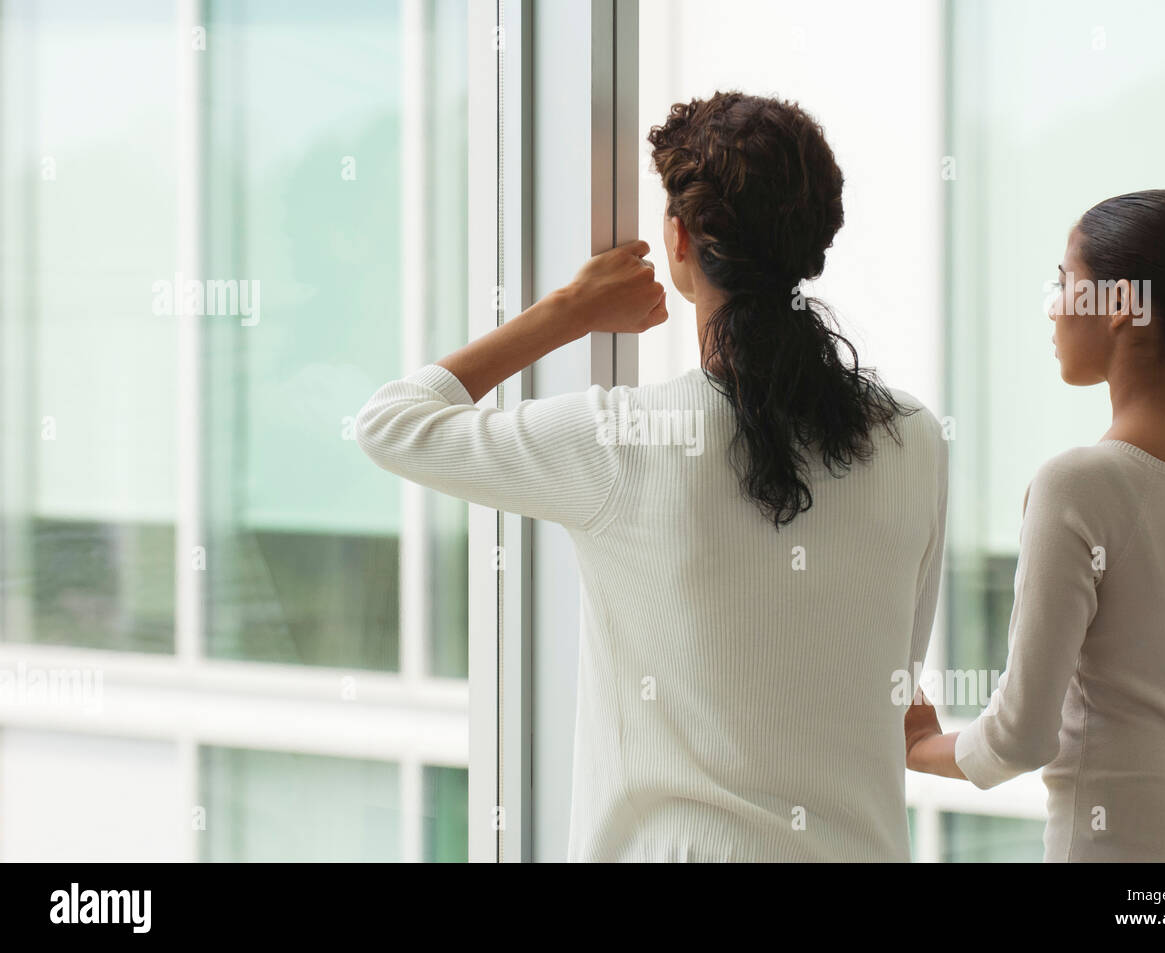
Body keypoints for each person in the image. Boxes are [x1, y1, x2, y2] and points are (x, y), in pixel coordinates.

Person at [357, 91, 947, 861]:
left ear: (679, 238)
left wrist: (570, 309)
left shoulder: (625, 440)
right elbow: (894, 679)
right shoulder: (913, 439)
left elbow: (393, 423)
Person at [906, 189, 1165, 862]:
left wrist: (920, 746)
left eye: (1064, 282)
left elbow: (1022, 735)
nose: (1052, 306)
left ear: (1121, 307)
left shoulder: (1075, 485)